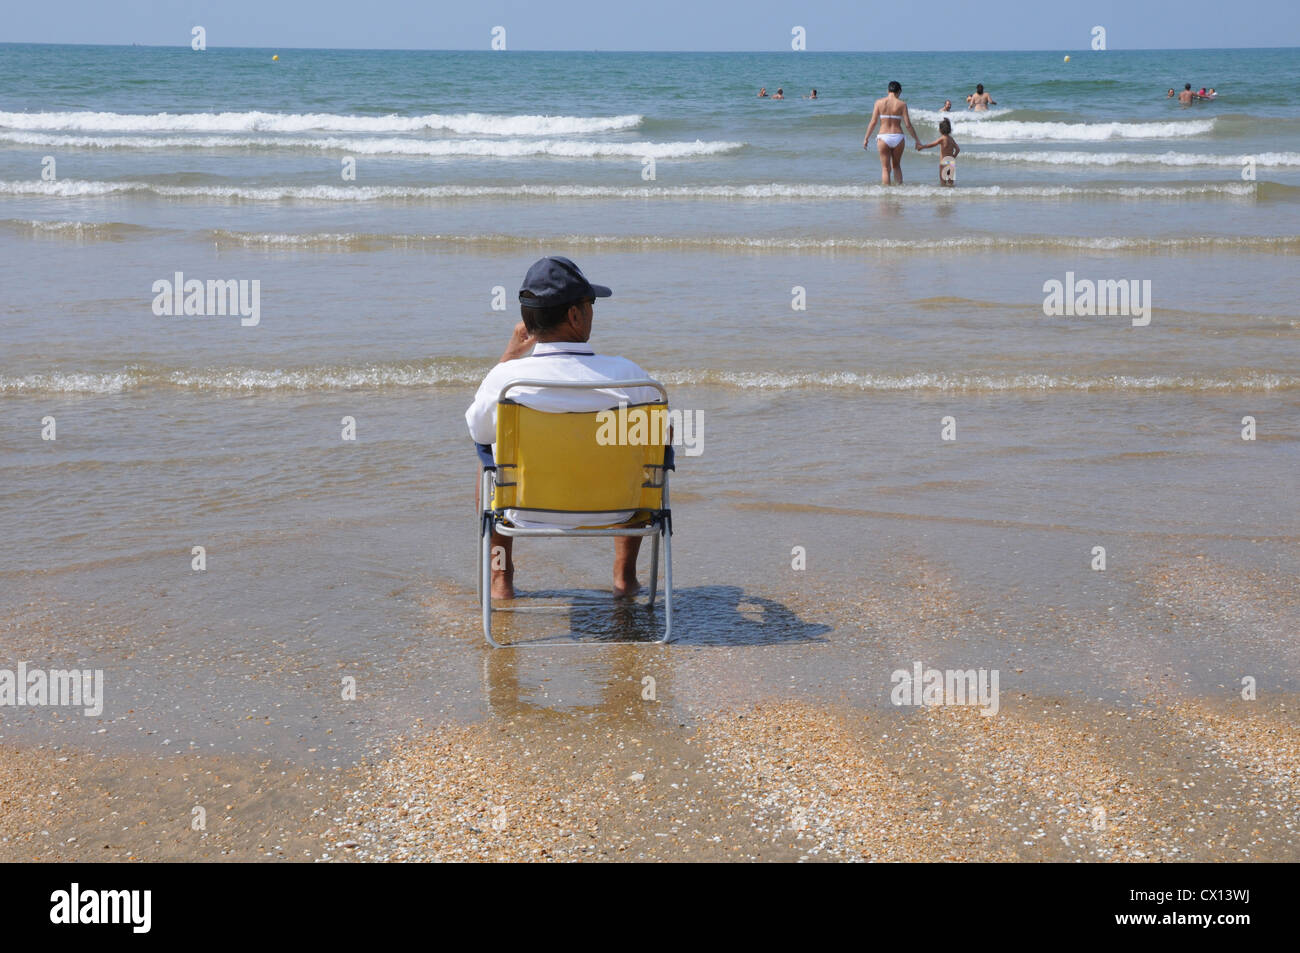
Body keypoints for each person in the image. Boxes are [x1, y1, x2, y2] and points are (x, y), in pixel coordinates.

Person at [466, 257, 661, 600]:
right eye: (590, 304)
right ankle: (624, 578)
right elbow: (662, 440)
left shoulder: (508, 382)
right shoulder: (629, 377)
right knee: (644, 457)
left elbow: (479, 434)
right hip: (618, 507)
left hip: (524, 509)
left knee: (487, 461)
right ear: (574, 315)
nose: (592, 312)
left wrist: (510, 355)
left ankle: (501, 581)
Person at [863, 81, 921, 185]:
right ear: (899, 91)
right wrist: (917, 140)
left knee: (885, 168)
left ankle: (887, 194)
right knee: (896, 166)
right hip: (898, 137)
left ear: (888, 90)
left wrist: (866, 138)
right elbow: (908, 125)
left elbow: (873, 122)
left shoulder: (878, 103)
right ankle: (899, 191)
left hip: (883, 137)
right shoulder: (902, 104)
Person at [917, 117, 960, 186]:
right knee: (951, 183)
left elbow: (932, 145)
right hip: (951, 161)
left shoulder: (942, 138)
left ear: (940, 130)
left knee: (943, 183)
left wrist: (922, 147)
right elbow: (958, 149)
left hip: (944, 162)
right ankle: (951, 195)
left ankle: (943, 195)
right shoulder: (951, 139)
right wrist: (953, 157)